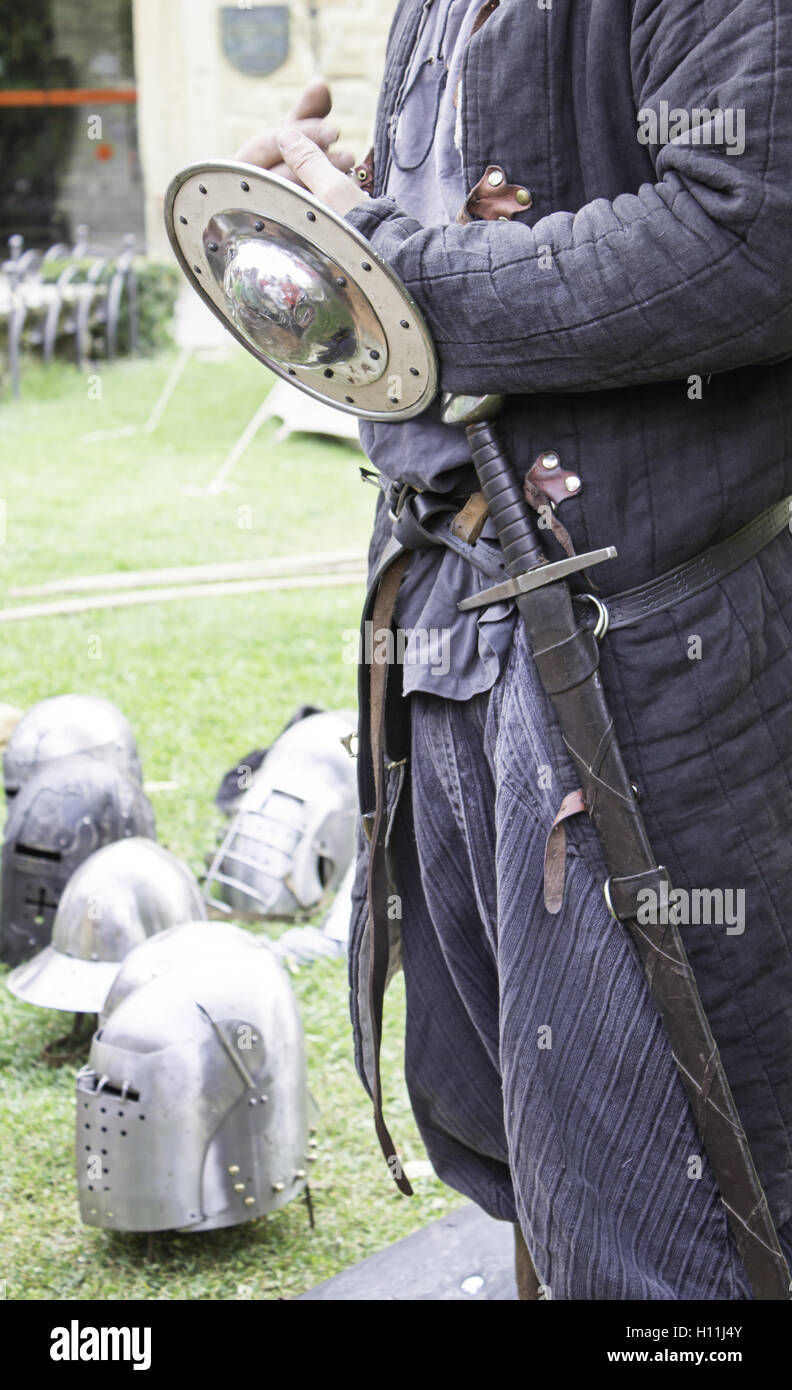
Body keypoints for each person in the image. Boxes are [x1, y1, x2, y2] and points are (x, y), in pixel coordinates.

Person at [237, 0, 792, 1298]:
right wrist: (346, 210)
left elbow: (753, 223)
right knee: (537, 1153)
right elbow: (523, 200)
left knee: (675, 1200)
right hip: (456, 617)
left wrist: (393, 273)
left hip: (640, 645)